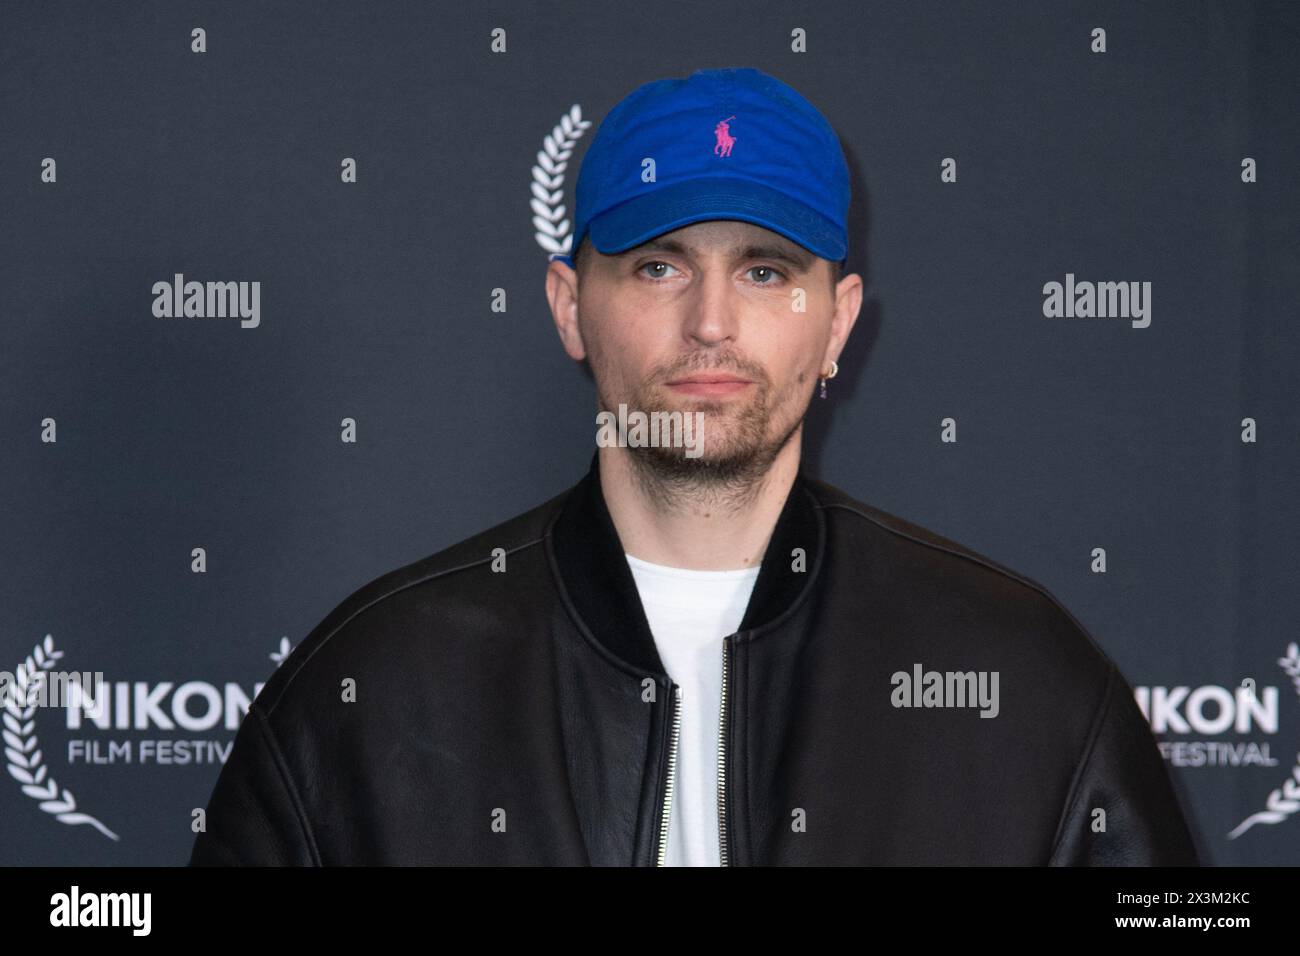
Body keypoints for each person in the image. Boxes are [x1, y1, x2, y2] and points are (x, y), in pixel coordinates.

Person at [189, 67, 1198, 866]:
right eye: (657, 264)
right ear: (568, 304)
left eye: (764, 270)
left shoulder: (1024, 683)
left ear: (837, 319)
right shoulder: (372, 689)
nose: (709, 321)